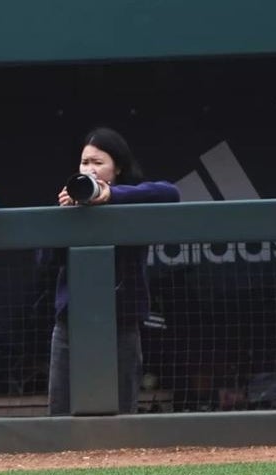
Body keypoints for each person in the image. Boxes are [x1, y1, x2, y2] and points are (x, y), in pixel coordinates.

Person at [42, 128, 180, 415]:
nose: (89, 169)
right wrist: (62, 216)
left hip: (121, 320)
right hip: (71, 322)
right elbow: (45, 260)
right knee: (60, 409)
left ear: (117, 167)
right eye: (85, 162)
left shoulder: (130, 198)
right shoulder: (71, 202)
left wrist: (111, 195)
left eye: (98, 162)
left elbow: (170, 192)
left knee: (122, 409)